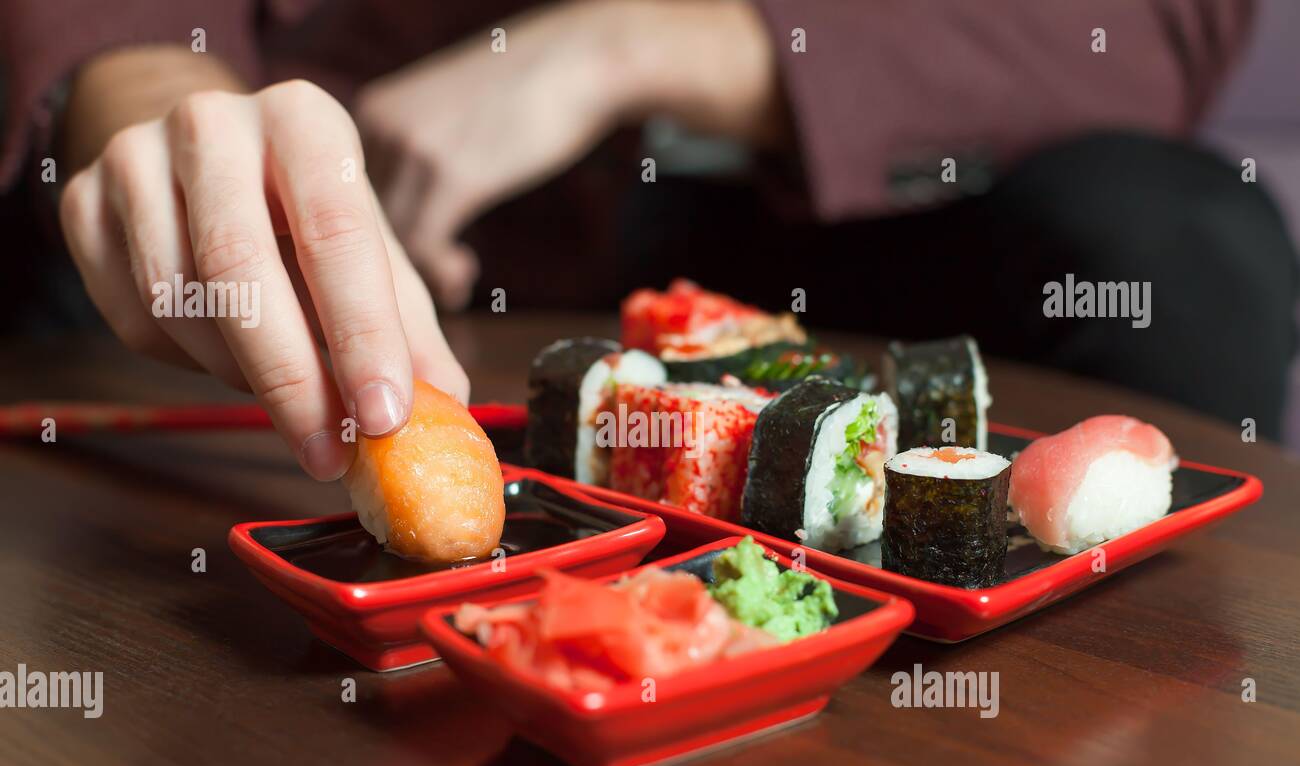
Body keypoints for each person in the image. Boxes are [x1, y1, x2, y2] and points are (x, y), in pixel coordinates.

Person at [0, 0, 1294, 481]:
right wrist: (156, 97)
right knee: (107, 251)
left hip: (846, 213)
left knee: (1174, 247)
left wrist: (626, 44)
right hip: (348, 184)